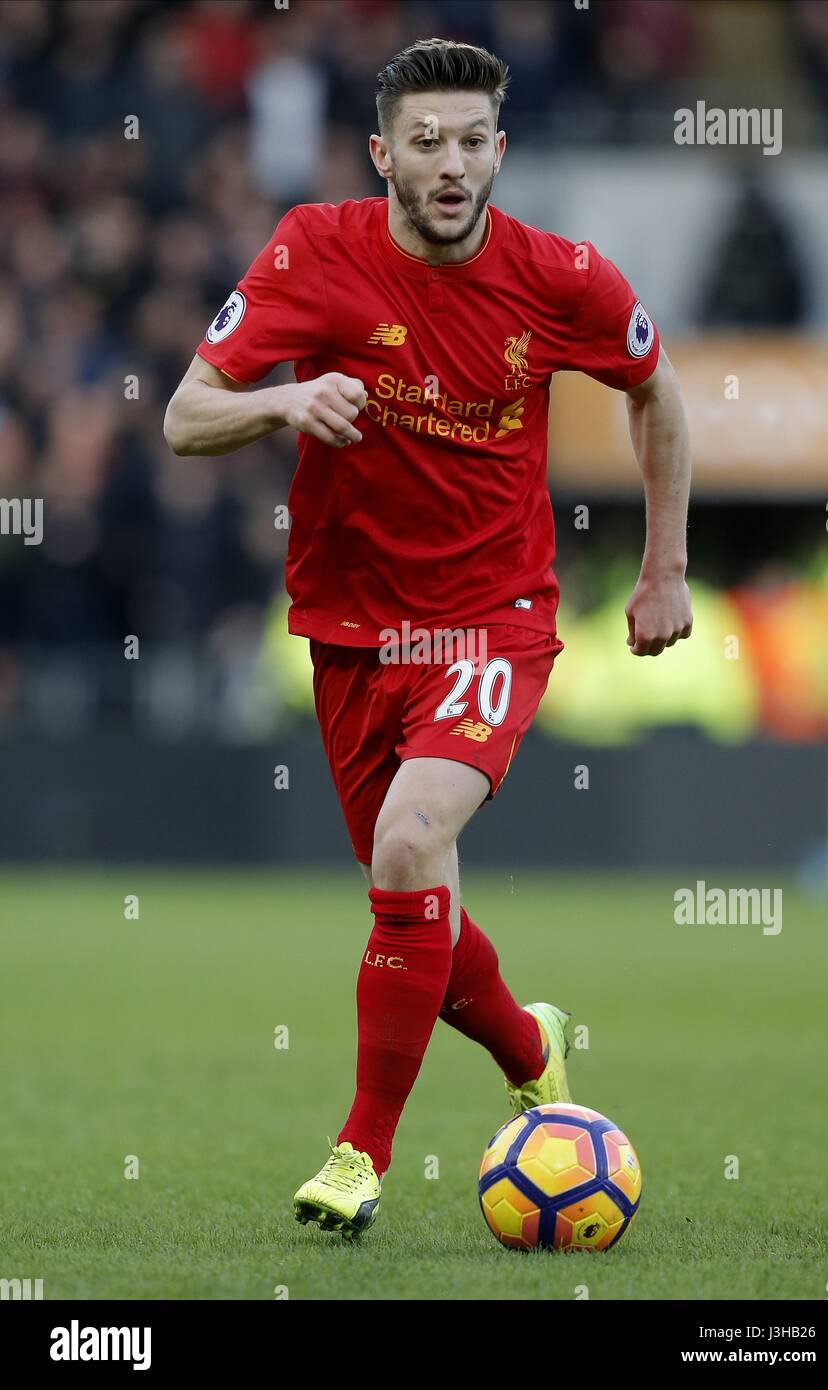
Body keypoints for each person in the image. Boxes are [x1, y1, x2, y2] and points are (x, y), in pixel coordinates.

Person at [164, 37, 692, 1238]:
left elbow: (658, 394)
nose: (450, 166)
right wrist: (284, 399)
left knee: (408, 841)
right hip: (351, 631)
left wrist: (662, 568)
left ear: (499, 150)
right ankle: (527, 1041)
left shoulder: (561, 276)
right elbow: (186, 417)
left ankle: (359, 1154)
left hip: (491, 621)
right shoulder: (311, 248)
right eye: (425, 143)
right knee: (410, 897)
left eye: (470, 142)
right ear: (381, 155)